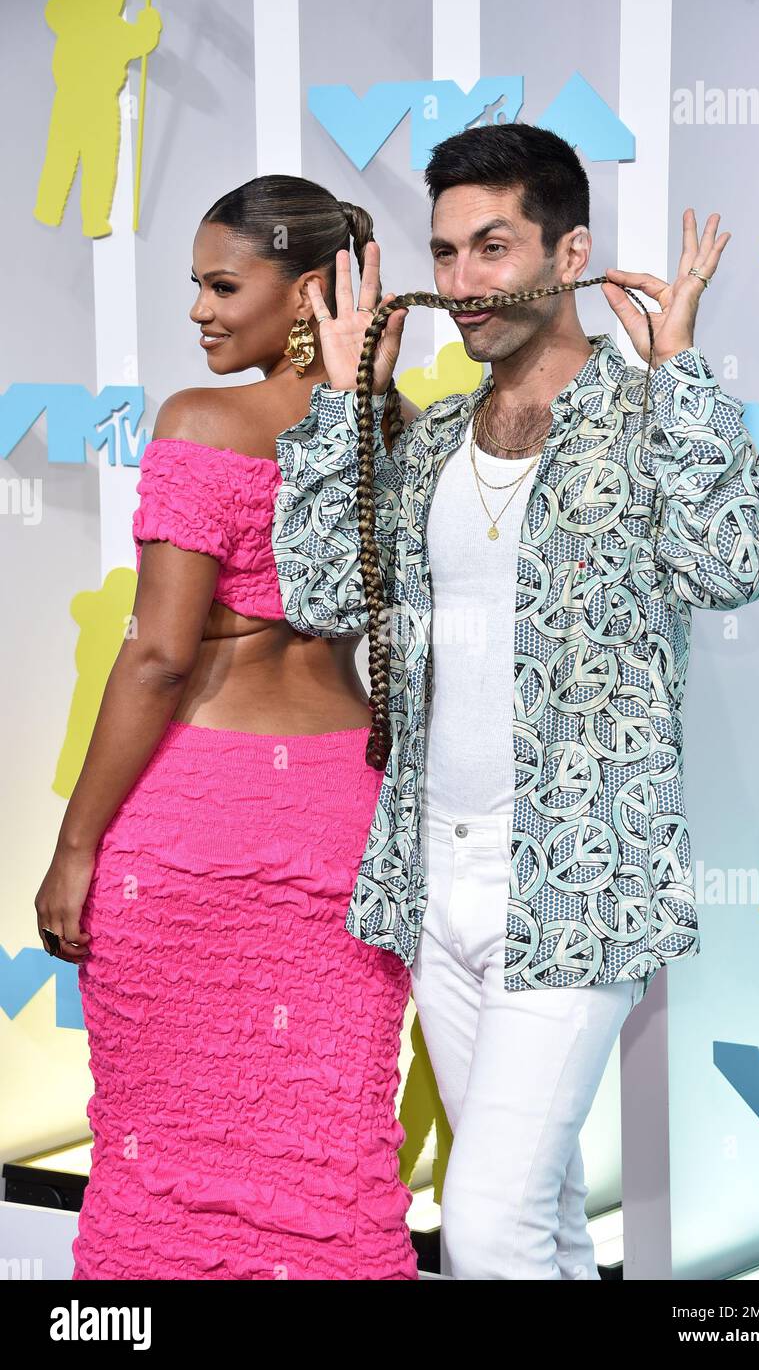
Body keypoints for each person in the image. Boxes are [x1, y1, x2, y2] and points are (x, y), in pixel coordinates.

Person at [270, 124, 759, 1279]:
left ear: (568, 254)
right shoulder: (420, 450)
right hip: (434, 884)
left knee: (483, 1228)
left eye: (492, 247)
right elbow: (318, 594)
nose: (461, 284)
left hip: (574, 883)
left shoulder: (643, 414)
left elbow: (740, 563)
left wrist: (680, 379)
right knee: (543, 1214)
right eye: (446, 253)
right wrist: (343, 401)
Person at [34, 175, 419, 1281]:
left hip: (200, 819)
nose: (199, 311)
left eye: (221, 284)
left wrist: (74, 848)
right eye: (193, 287)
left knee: (162, 1139)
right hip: (345, 812)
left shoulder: (204, 423)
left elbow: (157, 656)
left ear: (305, 292)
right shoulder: (391, 426)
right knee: (333, 1134)